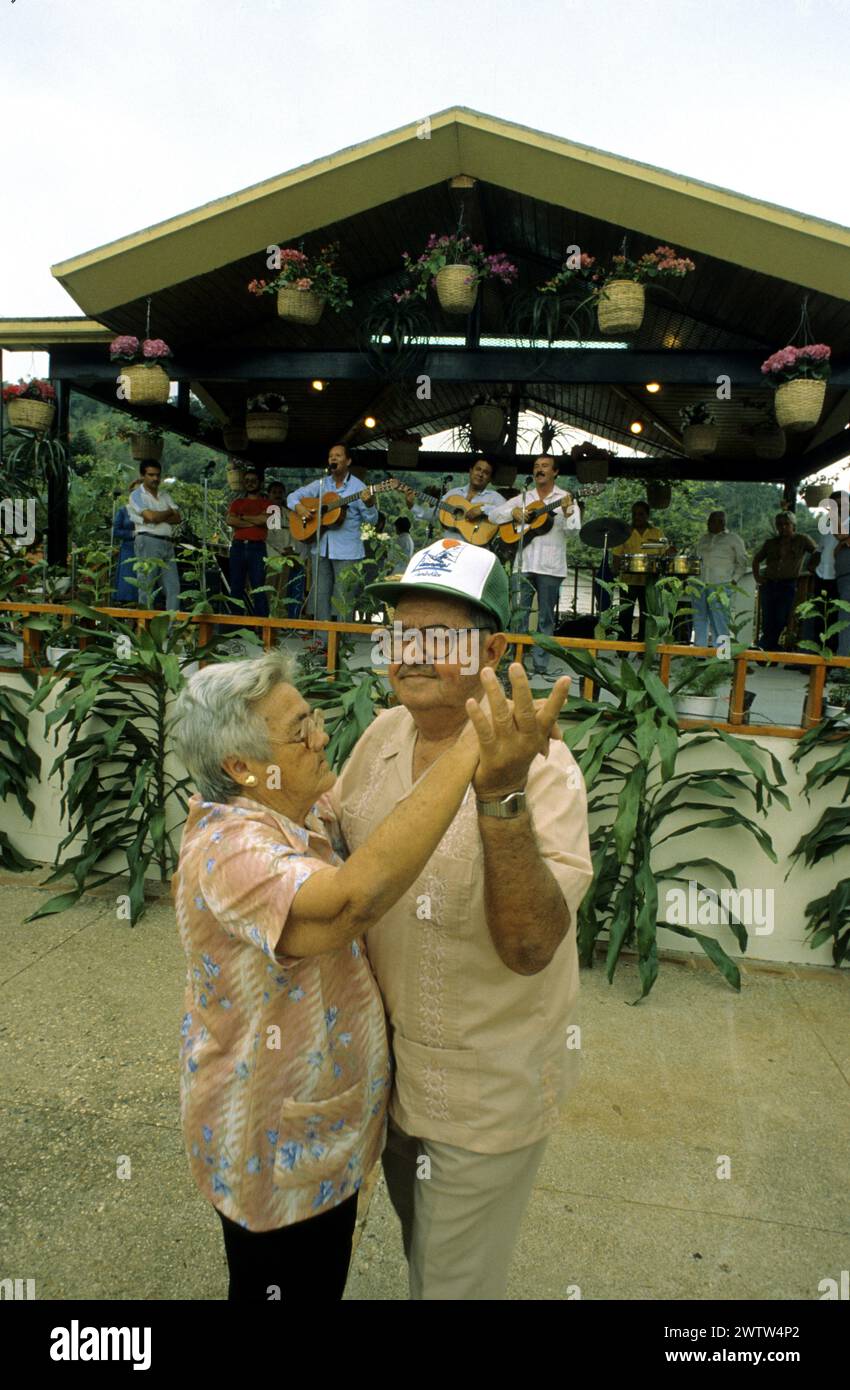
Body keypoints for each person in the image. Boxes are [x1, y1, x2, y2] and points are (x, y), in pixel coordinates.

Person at [171, 648, 566, 1301]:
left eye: (314, 716)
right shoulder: (229, 849)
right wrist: (472, 745)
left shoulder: (303, 809)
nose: (322, 736)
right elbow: (353, 902)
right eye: (299, 732)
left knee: (320, 1277)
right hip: (273, 1145)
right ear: (243, 768)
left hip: (326, 1132)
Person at [329, 537, 593, 1300]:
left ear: (494, 649)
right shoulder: (382, 738)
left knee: (453, 1286)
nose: (413, 654)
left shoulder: (543, 770)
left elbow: (531, 945)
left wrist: (500, 800)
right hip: (391, 1076)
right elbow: (335, 849)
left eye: (439, 636)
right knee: (423, 1250)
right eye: (402, 633)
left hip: (485, 1089)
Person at [487, 456, 580, 678]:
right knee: (519, 615)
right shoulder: (524, 497)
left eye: (545, 466)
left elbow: (574, 532)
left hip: (551, 565)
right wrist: (513, 513)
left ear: (555, 472)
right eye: (537, 466)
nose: (540, 470)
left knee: (546, 618)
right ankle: (516, 662)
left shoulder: (566, 499)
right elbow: (492, 515)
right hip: (523, 563)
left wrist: (567, 513)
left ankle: (540, 665)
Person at [287, 444, 378, 644]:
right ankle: (321, 644)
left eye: (337, 455)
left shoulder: (359, 488)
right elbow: (291, 497)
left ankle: (341, 648)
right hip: (320, 548)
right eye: (330, 456)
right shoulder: (321, 485)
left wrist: (370, 504)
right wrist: (300, 508)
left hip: (348, 552)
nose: (333, 459)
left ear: (348, 461)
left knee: (343, 600)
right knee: (320, 598)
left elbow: (372, 521)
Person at [752, 512, 818, 652]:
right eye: (780, 525)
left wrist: (812, 566)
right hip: (769, 584)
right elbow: (757, 559)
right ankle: (772, 647)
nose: (783, 527)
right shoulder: (771, 543)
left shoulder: (802, 539)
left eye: (786, 524)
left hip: (788, 584)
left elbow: (817, 551)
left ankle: (764, 645)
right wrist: (758, 577)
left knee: (782, 617)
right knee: (768, 617)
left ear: (793, 525)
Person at [610, 500, 668, 642]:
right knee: (625, 614)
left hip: (650, 581)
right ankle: (623, 648)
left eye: (641, 514)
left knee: (647, 616)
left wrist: (670, 553)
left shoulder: (657, 532)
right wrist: (615, 570)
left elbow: (665, 553)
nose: (637, 517)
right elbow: (616, 555)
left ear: (647, 515)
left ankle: (644, 648)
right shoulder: (625, 532)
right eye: (634, 514)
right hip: (628, 581)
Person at [128, 462, 182, 611]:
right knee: (146, 586)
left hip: (167, 543)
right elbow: (151, 517)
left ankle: (172, 630)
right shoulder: (136, 495)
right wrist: (167, 512)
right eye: (151, 475)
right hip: (148, 540)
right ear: (142, 476)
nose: (155, 478)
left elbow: (178, 518)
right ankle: (144, 629)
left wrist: (157, 516)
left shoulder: (165, 495)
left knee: (173, 588)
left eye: (158, 475)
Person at [693, 511, 749, 648]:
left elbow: (742, 562)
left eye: (712, 521)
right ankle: (699, 653)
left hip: (721, 586)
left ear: (722, 522)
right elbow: (694, 559)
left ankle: (722, 656)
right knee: (699, 619)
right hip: (700, 584)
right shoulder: (703, 539)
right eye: (709, 521)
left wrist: (734, 581)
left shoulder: (733, 539)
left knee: (720, 622)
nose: (708, 524)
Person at [266, 480, 306, 618]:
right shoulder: (269, 511)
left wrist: (293, 550)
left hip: (288, 556)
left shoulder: (289, 513)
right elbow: (270, 536)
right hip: (272, 556)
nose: (277, 495)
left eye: (280, 493)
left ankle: (281, 620)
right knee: (270, 589)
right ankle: (269, 618)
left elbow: (296, 533)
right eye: (274, 492)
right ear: (269, 495)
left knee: (283, 590)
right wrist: (281, 549)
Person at [112, 481, 140, 604]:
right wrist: (132, 534)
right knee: (127, 584)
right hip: (128, 550)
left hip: (145, 550)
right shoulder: (123, 511)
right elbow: (116, 531)